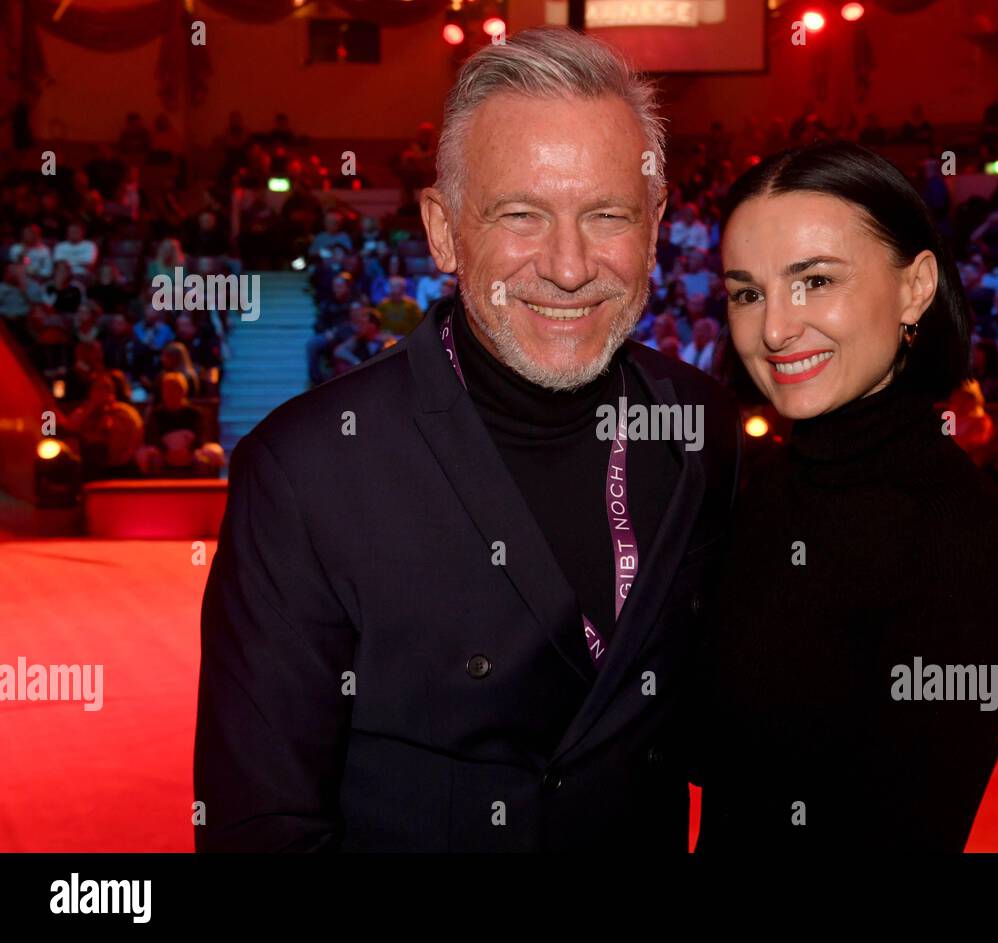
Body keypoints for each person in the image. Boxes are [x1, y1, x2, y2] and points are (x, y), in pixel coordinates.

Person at [195, 27, 740, 853]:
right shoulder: (305, 470)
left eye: (607, 214)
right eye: (521, 214)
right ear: (444, 231)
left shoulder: (701, 426)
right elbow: (262, 827)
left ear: (657, 223)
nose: (567, 265)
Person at [694, 141, 998, 852]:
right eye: (747, 292)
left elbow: (904, 827)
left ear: (915, 288)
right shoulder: (760, 488)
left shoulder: (965, 534)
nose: (776, 327)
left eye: (815, 281)